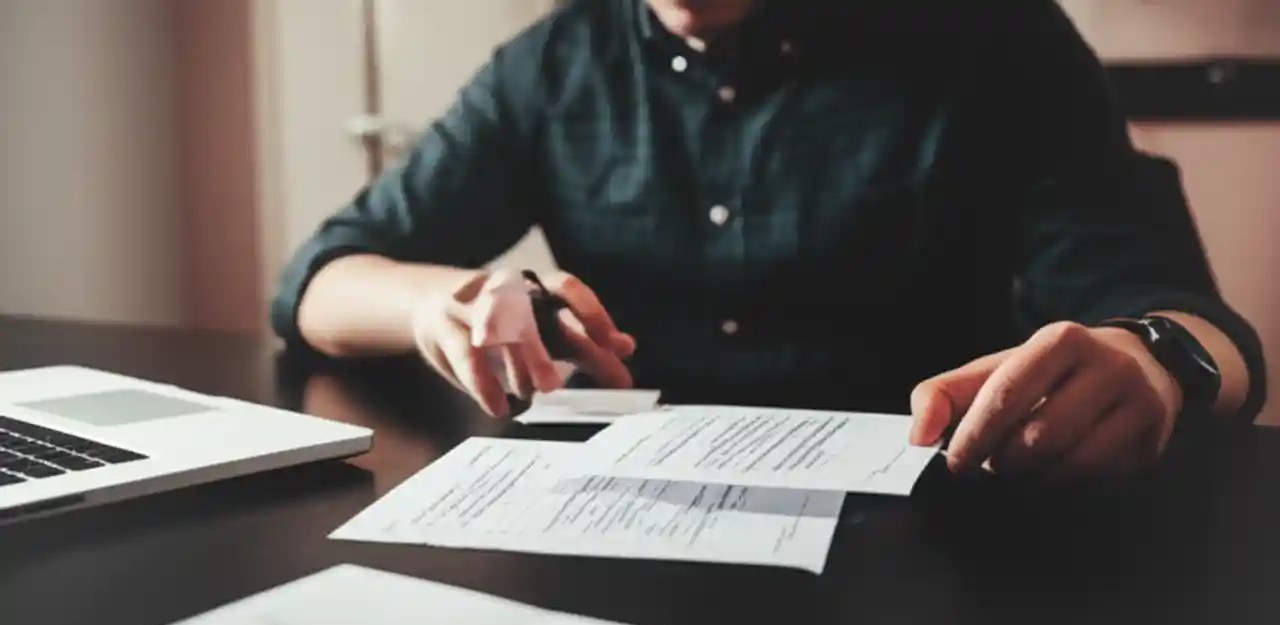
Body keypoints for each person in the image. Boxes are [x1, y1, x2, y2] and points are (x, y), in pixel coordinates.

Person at [272, 0, 1265, 480]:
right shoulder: (552, 64)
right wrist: (440, 305)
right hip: (625, 532)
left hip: (937, 537)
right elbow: (315, 281)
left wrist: (1151, 361)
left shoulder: (993, 35)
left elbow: (1192, 323)